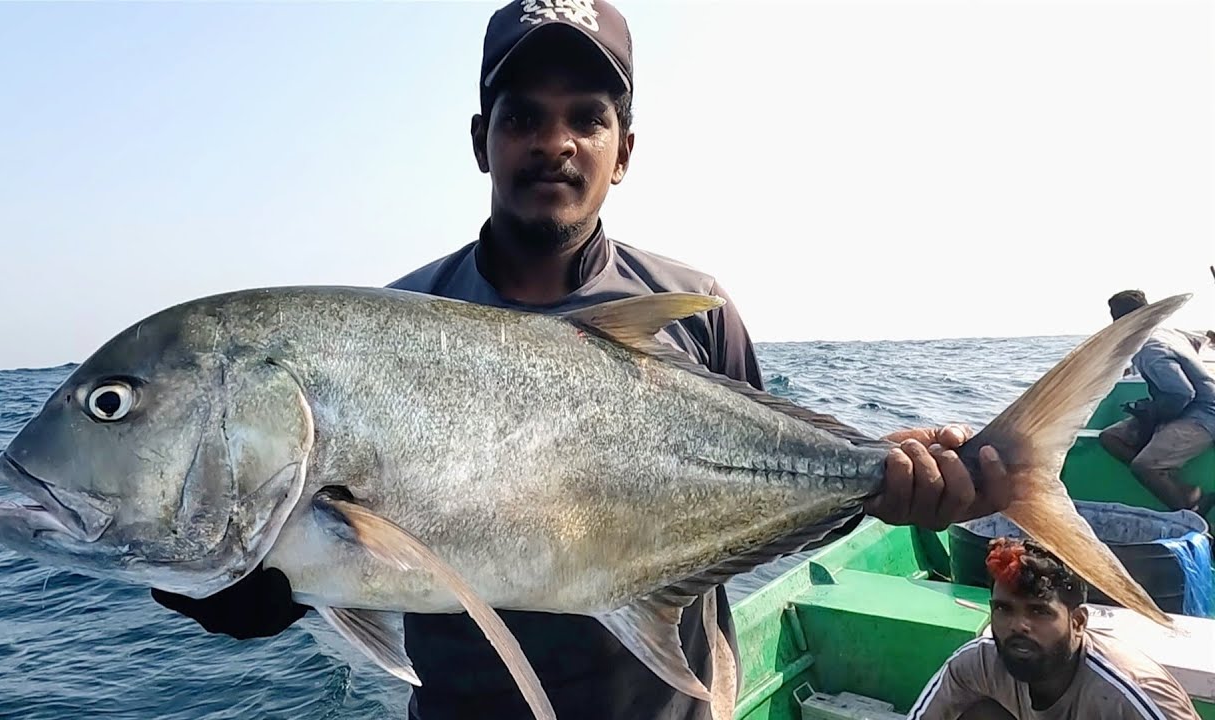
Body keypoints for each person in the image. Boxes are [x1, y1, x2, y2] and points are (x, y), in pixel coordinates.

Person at [152, 1, 1009, 718]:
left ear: (623, 151)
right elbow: (350, 555)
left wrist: (874, 485)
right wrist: (263, 588)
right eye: (524, 116)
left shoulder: (696, 310)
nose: (553, 141)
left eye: (586, 118)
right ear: (483, 138)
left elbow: (764, 484)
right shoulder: (390, 331)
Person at [907, 538, 1200, 720]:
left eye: (1039, 611)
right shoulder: (977, 663)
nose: (1018, 626)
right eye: (1003, 609)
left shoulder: (1129, 693)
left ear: (1078, 622)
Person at [1099, 290, 1215, 515]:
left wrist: (1153, 416)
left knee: (1144, 466)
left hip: (1204, 412)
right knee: (1110, 438)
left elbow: (1181, 393)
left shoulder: (1148, 348)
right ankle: (1177, 485)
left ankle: (1193, 507)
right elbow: (1197, 341)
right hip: (1182, 406)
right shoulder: (1168, 332)